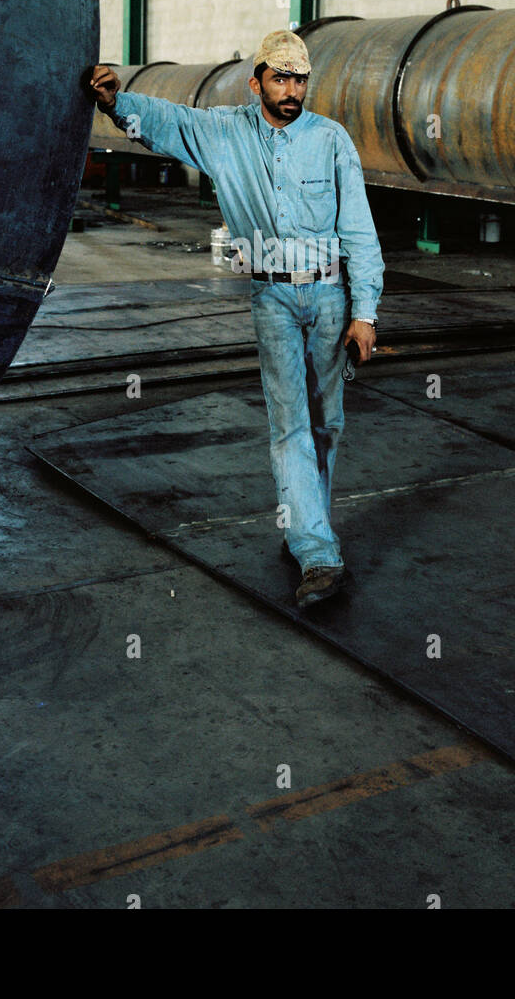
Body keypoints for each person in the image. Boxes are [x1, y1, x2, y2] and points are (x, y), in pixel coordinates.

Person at [85, 30, 384, 607]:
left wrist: (364, 313)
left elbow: (360, 232)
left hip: (329, 299)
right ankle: (318, 553)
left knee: (328, 425)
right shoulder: (225, 134)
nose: (293, 90)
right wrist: (116, 101)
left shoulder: (330, 140)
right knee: (291, 425)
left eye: (300, 80)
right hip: (272, 300)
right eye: (281, 79)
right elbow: (169, 119)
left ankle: (303, 526)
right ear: (257, 82)